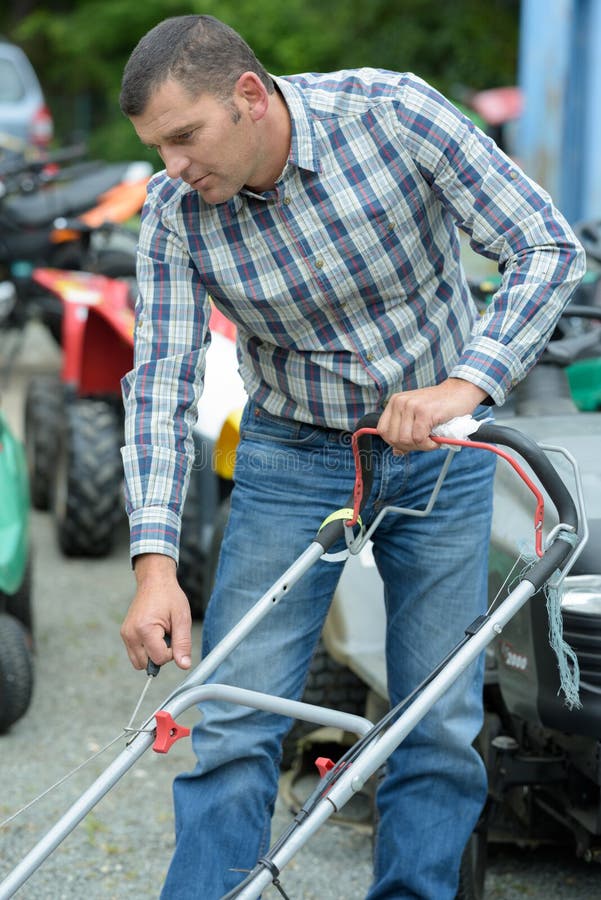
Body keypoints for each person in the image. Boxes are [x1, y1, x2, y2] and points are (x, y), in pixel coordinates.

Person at [118, 14, 585, 899]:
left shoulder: (393, 115)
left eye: (184, 138)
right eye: (159, 147)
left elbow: (546, 245)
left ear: (248, 96)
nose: (172, 167)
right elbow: (159, 387)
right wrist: (154, 565)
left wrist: (466, 387)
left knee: (437, 723)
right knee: (234, 717)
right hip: (291, 454)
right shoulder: (174, 214)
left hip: (443, 452)